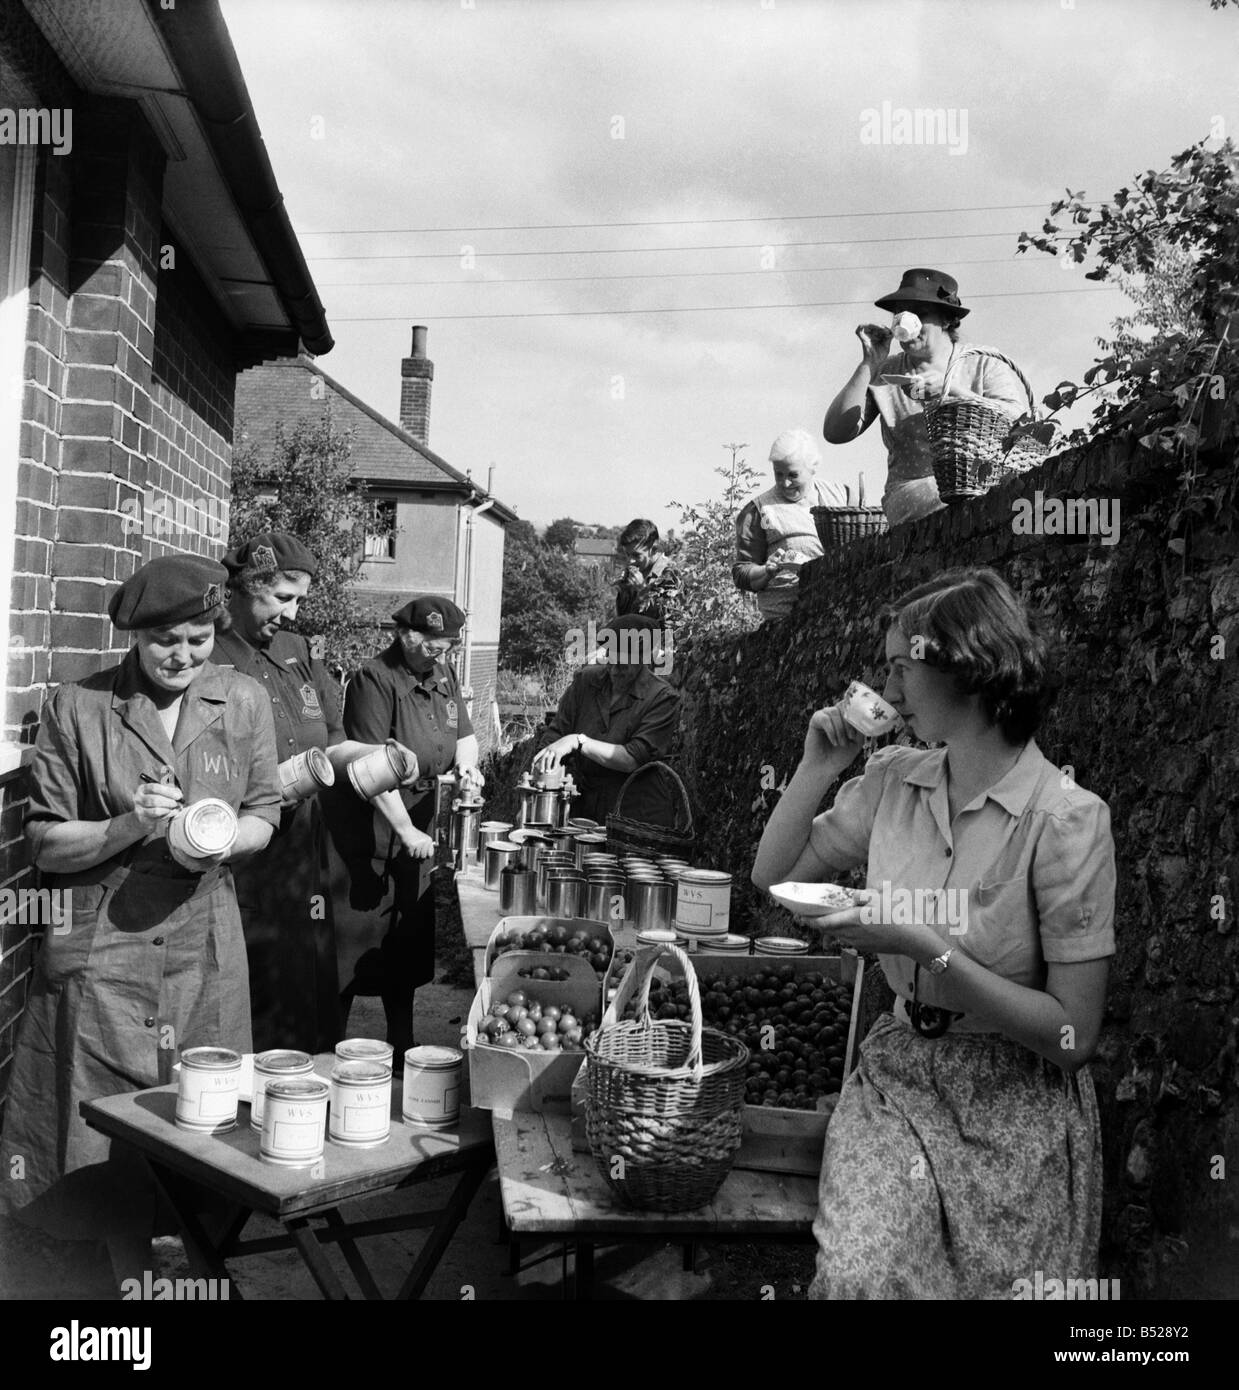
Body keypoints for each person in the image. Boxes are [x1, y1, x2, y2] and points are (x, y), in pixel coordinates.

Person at [752, 567, 1115, 1299]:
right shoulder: (891, 779)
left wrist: (921, 944)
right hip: (901, 1079)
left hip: (1016, 1100)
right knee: (856, 1279)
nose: (885, 693)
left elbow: (1073, 1037)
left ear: (966, 668)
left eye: (899, 669)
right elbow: (774, 875)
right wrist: (815, 766)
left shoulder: (1066, 820)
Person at [0, 555, 281, 1284]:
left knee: (208, 1111)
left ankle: (197, 1270)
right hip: (104, 947)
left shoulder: (243, 699)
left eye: (198, 638)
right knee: (105, 1121)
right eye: (165, 642)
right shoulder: (79, 706)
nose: (183, 656)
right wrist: (130, 824)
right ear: (134, 639)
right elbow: (46, 844)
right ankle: (125, 1280)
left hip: (203, 938)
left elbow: (266, 815)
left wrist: (219, 839)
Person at [213, 531, 422, 1053]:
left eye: (300, 599)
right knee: (253, 1001)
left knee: (306, 998)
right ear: (243, 587)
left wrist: (379, 761)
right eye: (283, 597)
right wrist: (267, 787)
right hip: (242, 862)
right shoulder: (210, 654)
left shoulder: (297, 652)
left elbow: (332, 742)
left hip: (303, 858)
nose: (293, 612)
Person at [340, 597, 483, 1059]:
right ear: (407, 637)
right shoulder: (374, 679)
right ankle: (333, 1044)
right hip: (375, 822)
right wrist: (405, 833)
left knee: (406, 939)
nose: (442, 657)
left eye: (447, 649)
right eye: (434, 647)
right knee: (359, 942)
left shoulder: (442, 673)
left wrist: (467, 769)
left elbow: (464, 735)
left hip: (420, 817)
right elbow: (368, 768)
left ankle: (401, 1041)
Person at [822, 268, 1033, 526]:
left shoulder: (982, 364)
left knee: (1009, 491)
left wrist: (952, 391)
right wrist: (869, 363)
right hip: (911, 491)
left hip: (978, 479)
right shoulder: (887, 372)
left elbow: (1019, 421)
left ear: (946, 320)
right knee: (953, 496)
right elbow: (836, 432)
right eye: (900, 315)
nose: (907, 324)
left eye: (920, 314)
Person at [532, 613, 681, 824]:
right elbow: (557, 732)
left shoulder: (662, 698)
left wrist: (578, 741)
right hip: (582, 808)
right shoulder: (585, 682)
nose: (614, 669)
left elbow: (632, 758)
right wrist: (544, 772)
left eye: (623, 663)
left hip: (634, 814)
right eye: (611, 658)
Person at [732, 428, 848, 623]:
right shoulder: (757, 511)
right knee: (661, 648)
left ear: (813, 467)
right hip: (787, 619)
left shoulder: (842, 496)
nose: (785, 483)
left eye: (793, 475)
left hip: (836, 607)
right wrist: (766, 571)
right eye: (778, 474)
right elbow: (742, 573)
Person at [613, 519, 682, 628]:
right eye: (628, 554)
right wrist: (624, 591)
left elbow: (668, 622)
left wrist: (643, 590)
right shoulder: (631, 575)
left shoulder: (671, 575)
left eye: (636, 555)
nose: (630, 561)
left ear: (654, 549)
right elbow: (624, 619)